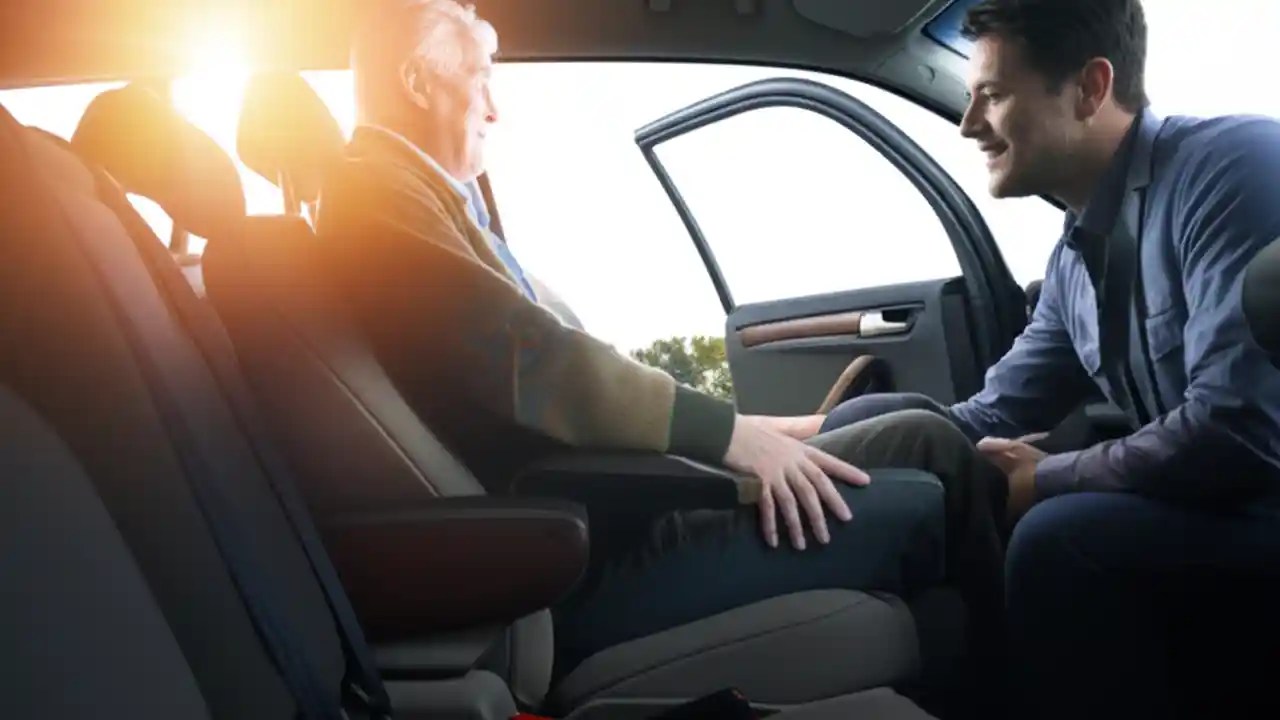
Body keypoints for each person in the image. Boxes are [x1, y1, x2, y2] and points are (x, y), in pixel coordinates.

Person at [314, 0, 1009, 707]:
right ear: (416, 81)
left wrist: (770, 434)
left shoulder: (430, 204)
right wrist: (730, 438)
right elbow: (531, 360)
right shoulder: (377, 199)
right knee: (937, 484)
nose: (493, 109)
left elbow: (534, 369)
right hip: (590, 554)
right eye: (480, 78)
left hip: (611, 507)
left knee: (913, 424)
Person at [820, 0, 1280, 716]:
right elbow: (989, 413)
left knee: (1053, 539)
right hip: (1212, 505)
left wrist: (1050, 478)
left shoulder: (1233, 170)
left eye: (994, 96)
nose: (970, 123)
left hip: (1264, 504)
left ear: (1091, 89)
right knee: (902, 422)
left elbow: (1240, 426)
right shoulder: (1074, 260)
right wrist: (775, 440)